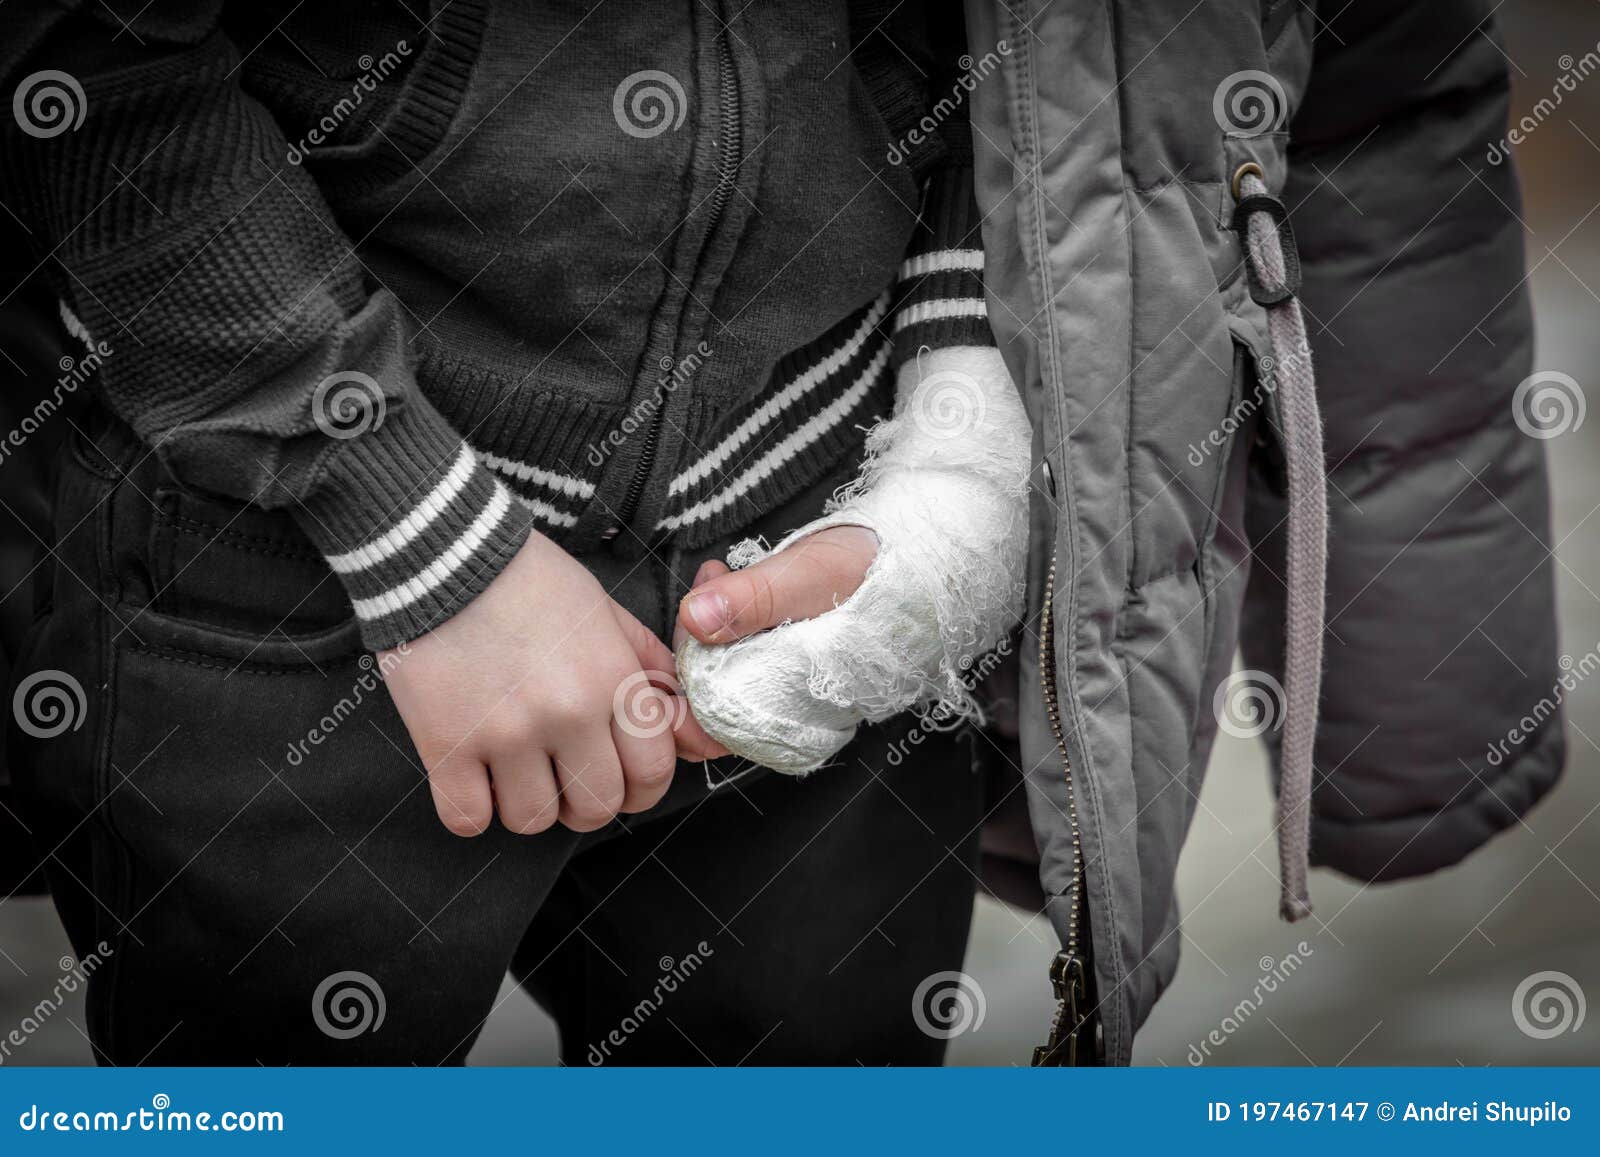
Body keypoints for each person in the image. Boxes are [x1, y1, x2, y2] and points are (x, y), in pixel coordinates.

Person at [1, 0, 1565, 1069]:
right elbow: (87, 59)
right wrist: (409, 526)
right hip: (275, 578)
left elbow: (1066, 48)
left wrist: (960, 455)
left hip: (836, 542)